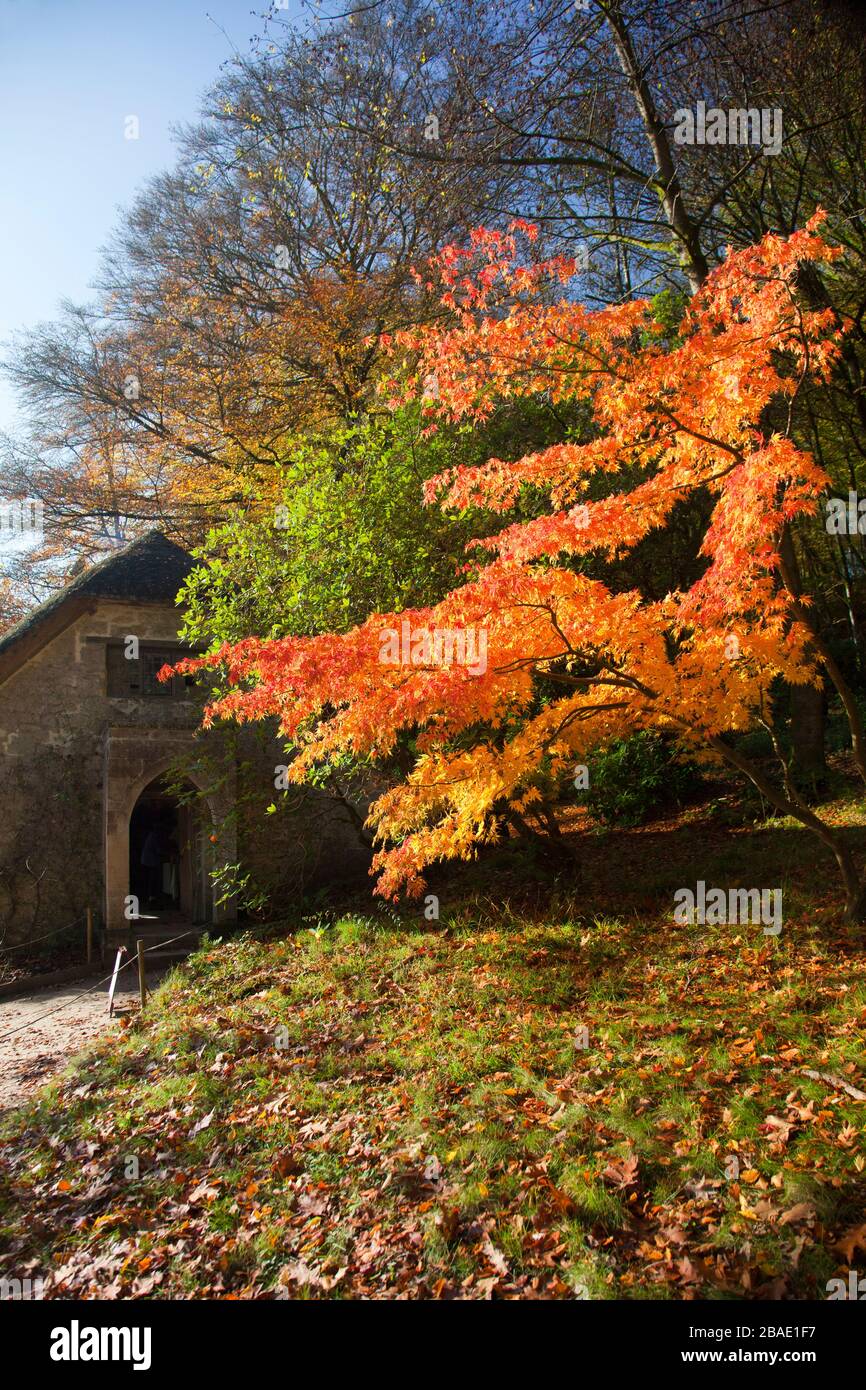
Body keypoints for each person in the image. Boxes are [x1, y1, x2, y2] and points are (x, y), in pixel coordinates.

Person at [140, 820, 169, 906]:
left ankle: (150, 897)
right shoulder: (154, 836)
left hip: (148, 861)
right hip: (150, 862)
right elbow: (158, 850)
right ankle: (152, 898)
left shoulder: (152, 835)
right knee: (152, 880)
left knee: (151, 879)